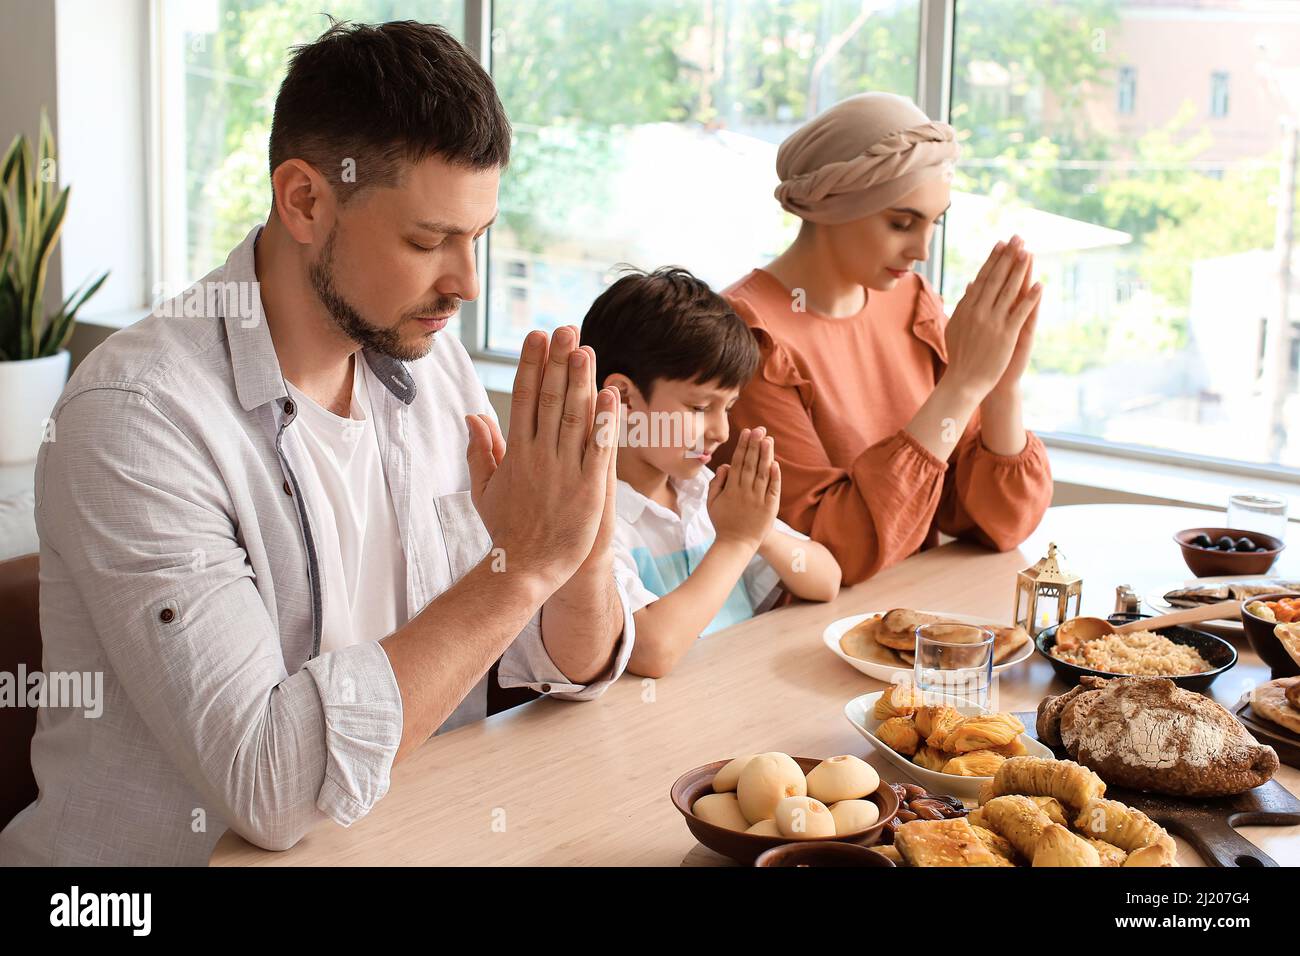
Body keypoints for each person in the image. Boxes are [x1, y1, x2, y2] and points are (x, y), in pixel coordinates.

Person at [0, 20, 632, 866]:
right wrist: (517, 567)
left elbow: (563, 663)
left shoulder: (426, 354)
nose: (466, 285)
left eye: (475, 238)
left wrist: (574, 544)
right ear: (304, 200)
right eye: (425, 240)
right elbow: (269, 788)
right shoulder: (135, 419)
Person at [715, 92, 1053, 585]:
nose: (921, 249)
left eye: (935, 222)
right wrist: (961, 386)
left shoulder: (912, 303)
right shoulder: (747, 336)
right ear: (832, 206)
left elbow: (1000, 524)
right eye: (901, 222)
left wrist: (999, 386)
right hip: (792, 637)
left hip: (909, 619)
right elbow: (833, 554)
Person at [579, 268, 840, 679]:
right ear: (625, 398)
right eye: (700, 408)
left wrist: (759, 531)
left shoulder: (702, 490)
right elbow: (652, 652)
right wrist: (737, 540)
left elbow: (825, 580)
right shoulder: (589, 516)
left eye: (729, 408)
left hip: (733, 700)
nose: (721, 432)